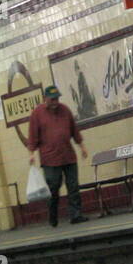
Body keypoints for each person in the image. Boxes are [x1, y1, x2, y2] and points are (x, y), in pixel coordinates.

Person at [27, 83, 89, 227]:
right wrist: (31, 154)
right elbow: (32, 136)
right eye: (52, 99)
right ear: (45, 98)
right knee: (53, 188)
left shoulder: (65, 110)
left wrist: (82, 147)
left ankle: (76, 215)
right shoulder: (37, 114)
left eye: (57, 99)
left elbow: (74, 131)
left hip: (68, 156)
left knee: (73, 186)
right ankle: (53, 216)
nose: (55, 102)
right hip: (50, 159)